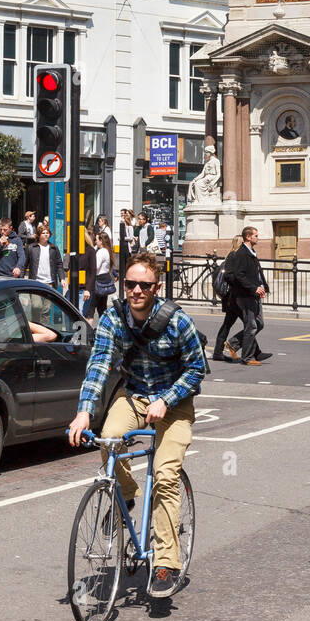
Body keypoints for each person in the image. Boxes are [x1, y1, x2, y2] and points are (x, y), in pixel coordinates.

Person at [67, 253, 206, 598]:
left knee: (164, 475)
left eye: (144, 285)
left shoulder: (177, 322)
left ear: (156, 287)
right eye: (130, 284)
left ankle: (165, 564)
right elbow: (99, 365)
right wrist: (84, 411)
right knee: (109, 438)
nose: (136, 291)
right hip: (134, 396)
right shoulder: (114, 318)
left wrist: (167, 399)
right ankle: (126, 495)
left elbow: (197, 369)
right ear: (122, 284)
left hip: (173, 402)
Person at [226, 225, 271, 365]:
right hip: (246, 295)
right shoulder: (241, 253)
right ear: (248, 237)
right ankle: (247, 357)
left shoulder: (251, 252)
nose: (258, 238)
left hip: (255, 294)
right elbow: (239, 275)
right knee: (251, 326)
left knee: (259, 324)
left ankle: (233, 343)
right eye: (256, 235)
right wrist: (253, 288)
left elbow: (256, 273)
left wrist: (263, 286)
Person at [213, 235, 245, 362]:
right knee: (251, 325)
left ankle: (217, 351)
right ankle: (251, 351)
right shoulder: (235, 257)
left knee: (227, 324)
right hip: (234, 297)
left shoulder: (229, 257)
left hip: (229, 297)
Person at [92, 232, 117, 316]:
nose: (95, 241)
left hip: (98, 280)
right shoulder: (106, 250)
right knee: (102, 307)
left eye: (97, 239)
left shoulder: (101, 252)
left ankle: (88, 328)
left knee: (90, 308)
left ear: (101, 241)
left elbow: (95, 266)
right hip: (105, 279)